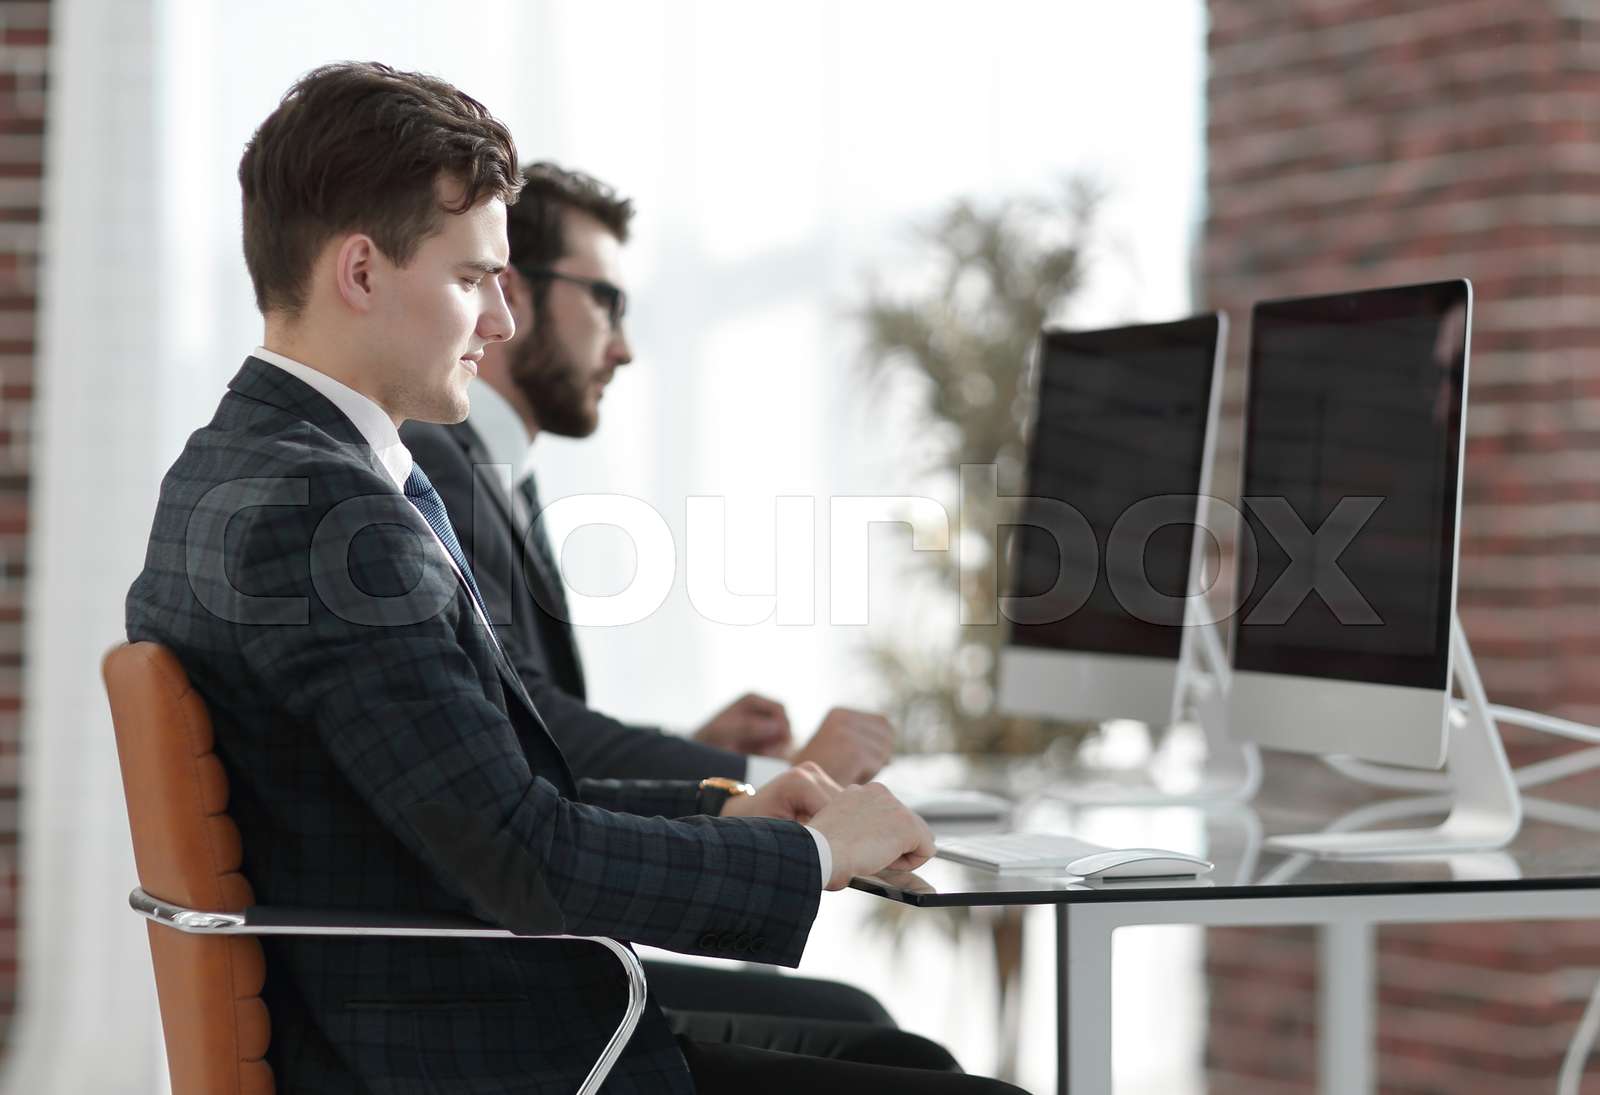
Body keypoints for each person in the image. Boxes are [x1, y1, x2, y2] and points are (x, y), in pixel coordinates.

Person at [125, 62, 1025, 1095]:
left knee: (888, 1055)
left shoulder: (239, 465)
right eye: (472, 280)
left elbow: (481, 790)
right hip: (478, 1056)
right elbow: (525, 857)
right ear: (361, 273)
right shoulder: (327, 517)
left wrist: (727, 809)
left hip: (421, 1021)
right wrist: (818, 857)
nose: (501, 324)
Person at [401, 163, 910, 1039]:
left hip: (521, 937)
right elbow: (537, 728)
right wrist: (767, 789)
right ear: (514, 289)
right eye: (607, 302)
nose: (626, 347)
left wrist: (714, 767)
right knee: (882, 1037)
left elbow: (510, 729)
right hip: (499, 974)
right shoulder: (438, 469)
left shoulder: (489, 472)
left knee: (866, 1019)